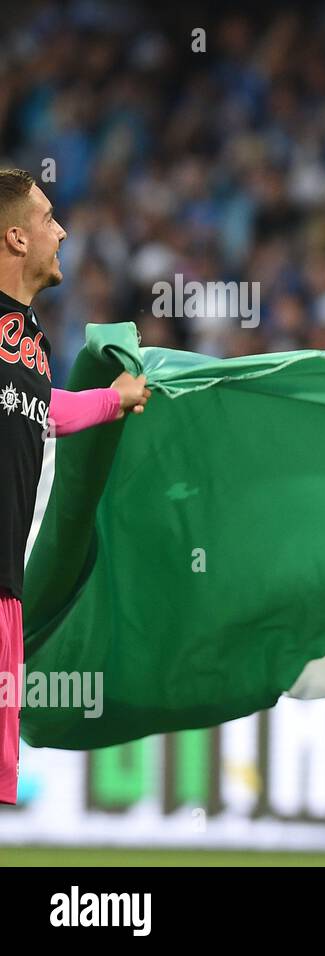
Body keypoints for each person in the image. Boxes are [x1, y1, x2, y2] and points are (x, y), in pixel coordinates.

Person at [0, 168, 152, 805]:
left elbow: (45, 410)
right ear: (15, 238)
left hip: (6, 590)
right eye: (46, 220)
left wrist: (114, 401)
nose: (61, 231)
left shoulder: (26, 338)